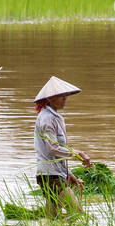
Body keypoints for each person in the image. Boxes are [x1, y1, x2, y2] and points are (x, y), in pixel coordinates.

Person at [33, 76, 91, 217]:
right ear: (51, 99)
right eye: (62, 97)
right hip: (50, 176)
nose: (65, 99)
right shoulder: (47, 119)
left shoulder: (54, 117)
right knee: (76, 213)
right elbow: (52, 149)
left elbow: (57, 150)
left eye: (66, 97)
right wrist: (78, 154)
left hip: (53, 174)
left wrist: (68, 173)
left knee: (52, 216)